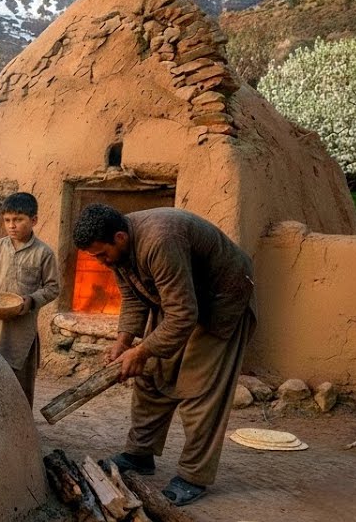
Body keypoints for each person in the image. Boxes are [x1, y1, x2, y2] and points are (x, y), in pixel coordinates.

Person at [72, 204, 257, 506]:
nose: (102, 262)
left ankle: (193, 477)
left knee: (200, 389)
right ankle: (140, 454)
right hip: (178, 304)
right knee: (150, 375)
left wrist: (141, 350)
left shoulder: (160, 240)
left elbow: (184, 314)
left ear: (119, 237)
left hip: (221, 302)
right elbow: (133, 298)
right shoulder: (118, 252)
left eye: (102, 254)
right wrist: (124, 342)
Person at [0, 192, 59, 406]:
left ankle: (20, 431)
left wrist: (30, 301)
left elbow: (52, 288)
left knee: (19, 386)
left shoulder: (43, 253)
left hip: (22, 331)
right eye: (7, 220)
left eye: (18, 220)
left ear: (33, 220)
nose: (12, 225)